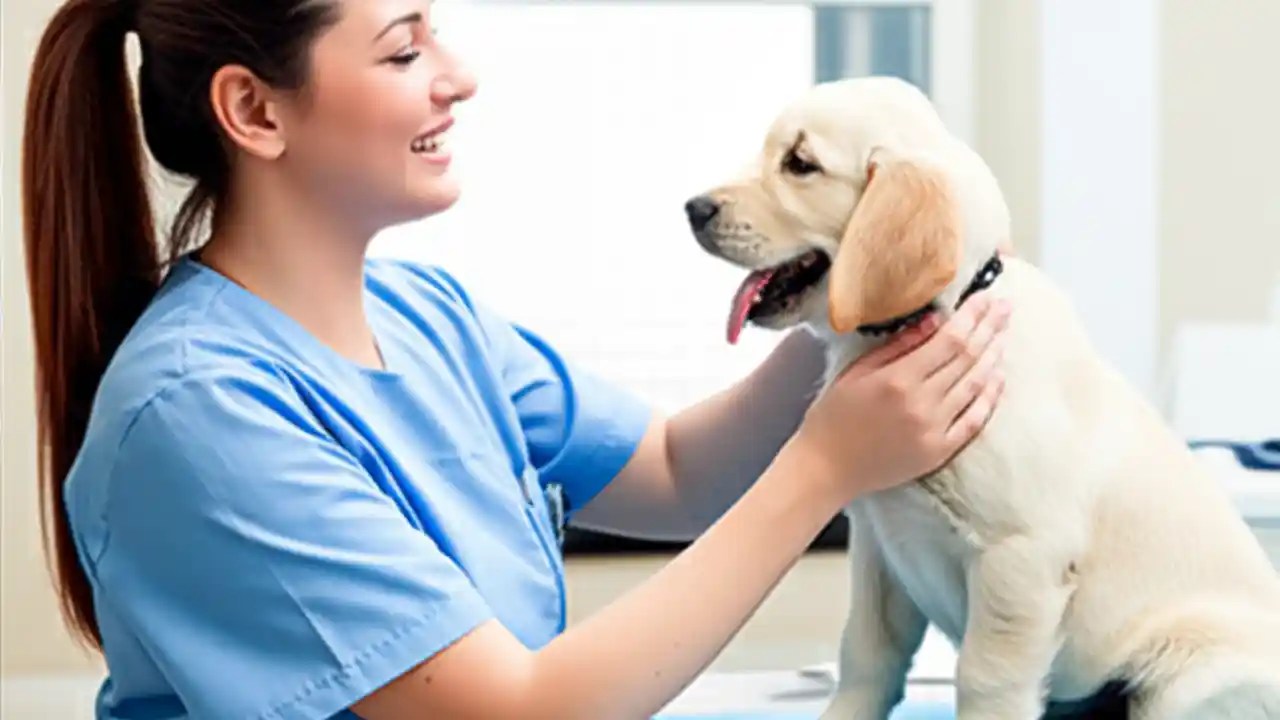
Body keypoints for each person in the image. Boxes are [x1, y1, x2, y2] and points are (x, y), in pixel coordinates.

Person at [20, 1, 1010, 718]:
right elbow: (514, 713)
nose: (458, 74)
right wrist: (826, 466)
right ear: (256, 113)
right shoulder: (201, 414)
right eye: (405, 49)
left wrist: (862, 297)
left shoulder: (425, 317)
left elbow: (675, 473)